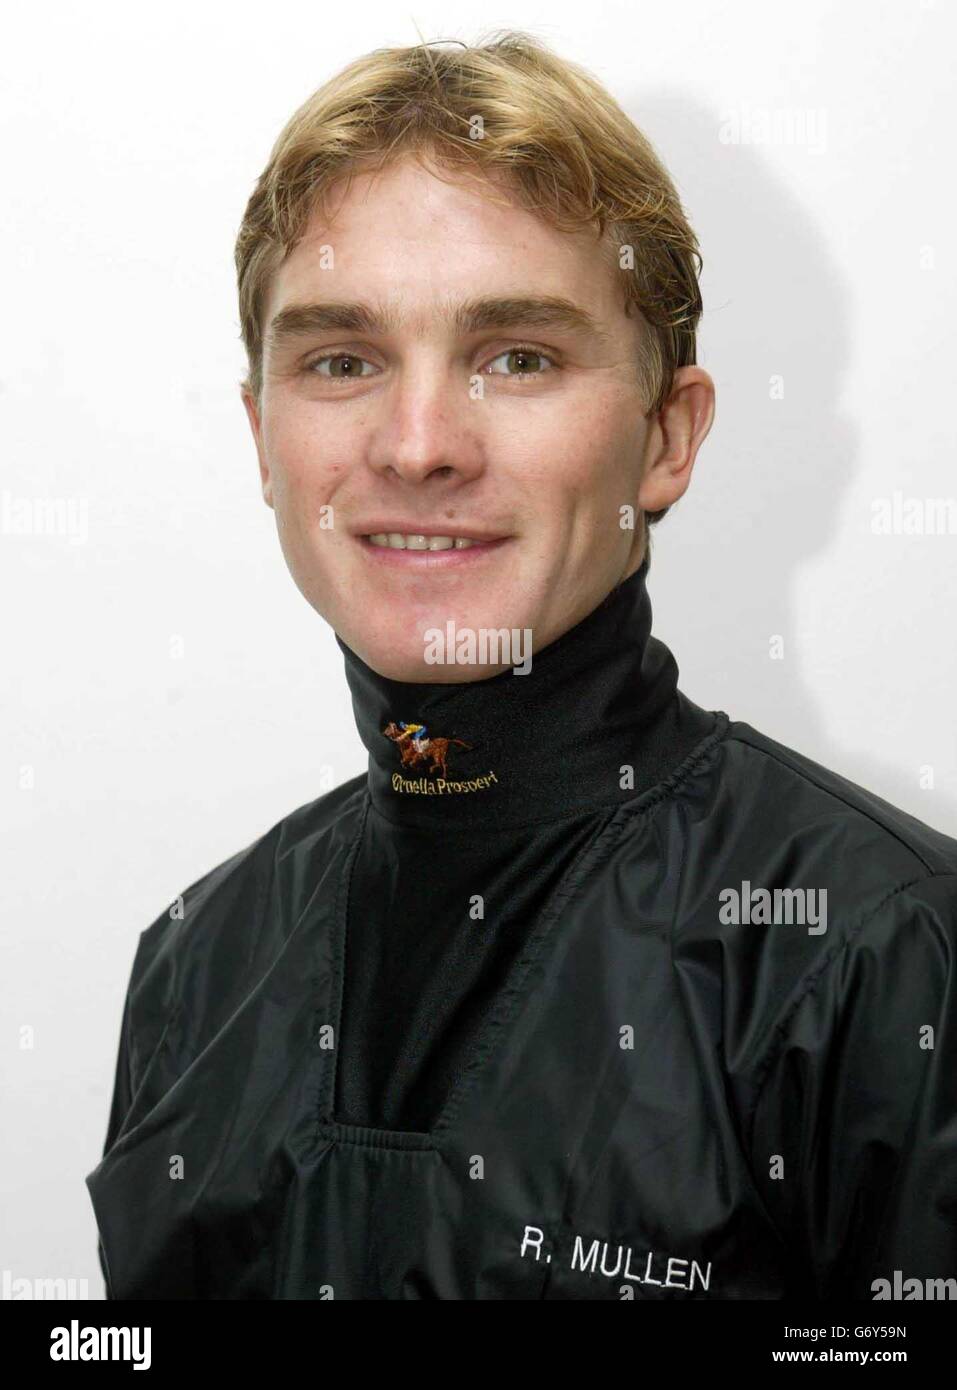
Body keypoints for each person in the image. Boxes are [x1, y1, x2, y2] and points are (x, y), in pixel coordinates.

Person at [86, 31, 957, 1301]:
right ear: (262, 439)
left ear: (668, 434)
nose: (420, 443)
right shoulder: (194, 967)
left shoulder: (880, 955)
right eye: (342, 358)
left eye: (518, 357)